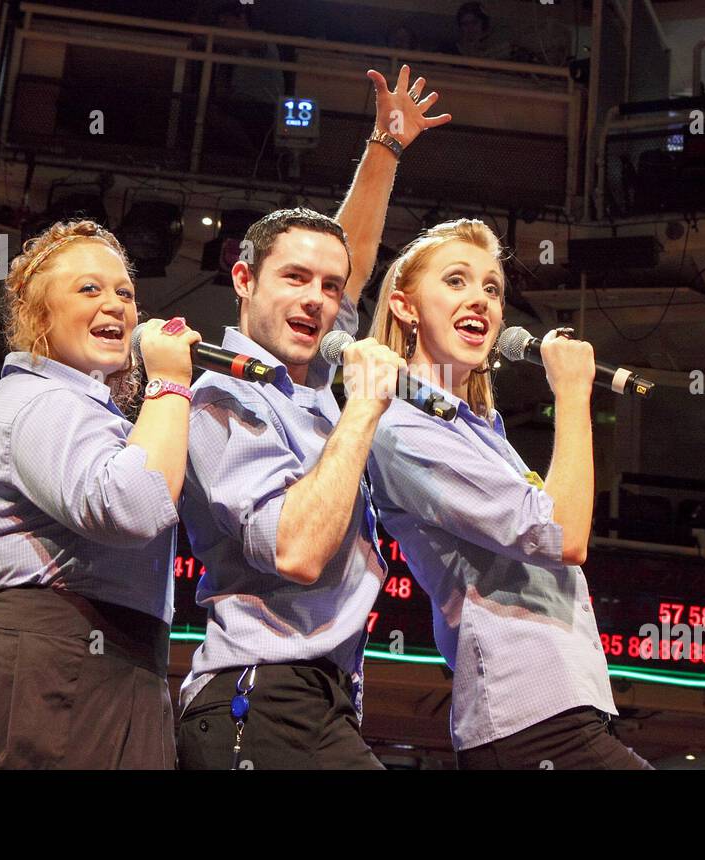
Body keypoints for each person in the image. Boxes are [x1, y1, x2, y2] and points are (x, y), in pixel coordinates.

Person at [175, 66, 451, 770]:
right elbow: (295, 551)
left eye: (329, 289)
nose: (319, 300)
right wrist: (364, 407)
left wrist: (386, 147)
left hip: (315, 695)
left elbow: (349, 259)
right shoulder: (223, 396)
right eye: (293, 278)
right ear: (243, 280)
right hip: (259, 695)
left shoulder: (303, 380)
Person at [0, 220, 202, 769]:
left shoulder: (76, 408)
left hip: (81, 666)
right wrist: (169, 384)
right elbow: (132, 508)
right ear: (38, 312)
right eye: (89, 289)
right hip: (50, 672)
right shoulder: (44, 399)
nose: (117, 305)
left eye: (125, 291)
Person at [365, 219, 654, 769]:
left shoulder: (480, 429)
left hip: (562, 709)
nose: (480, 300)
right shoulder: (403, 428)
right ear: (405, 308)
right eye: (456, 281)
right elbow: (564, 537)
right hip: (527, 716)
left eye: (492, 289)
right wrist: (572, 396)